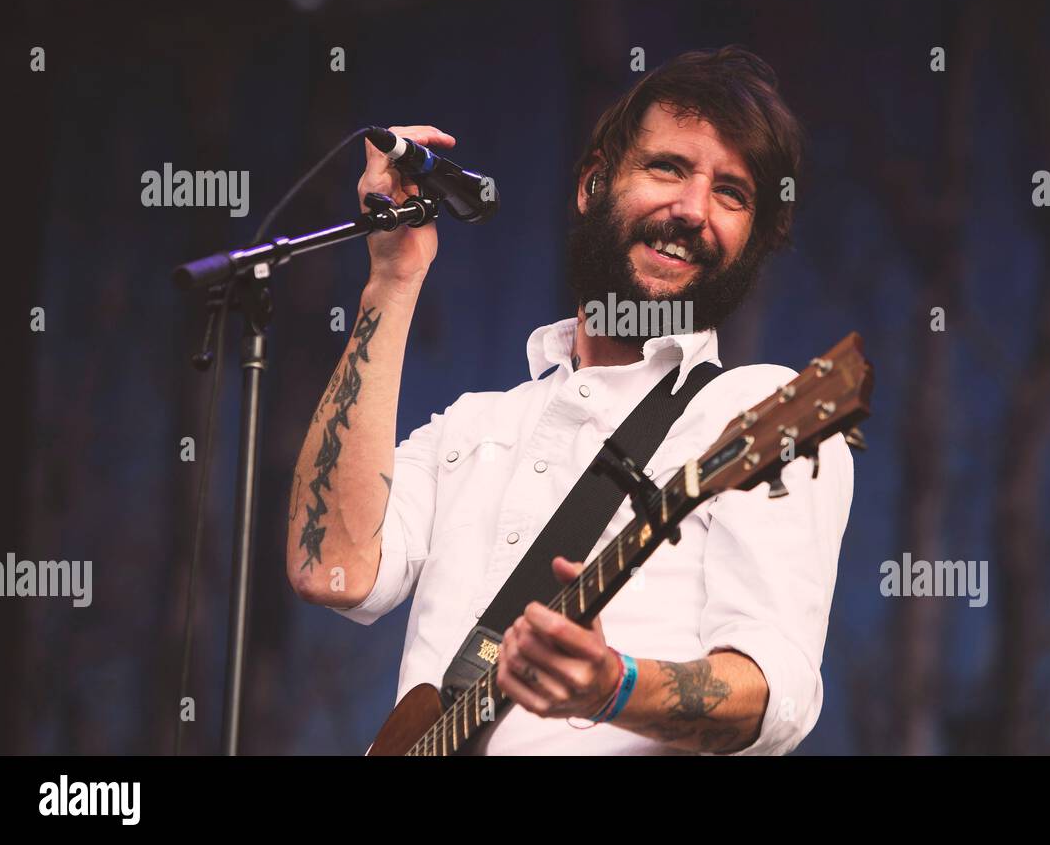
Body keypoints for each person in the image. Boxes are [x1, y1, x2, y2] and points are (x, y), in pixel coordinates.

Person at [286, 45, 854, 755]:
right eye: (668, 167)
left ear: (752, 240)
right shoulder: (475, 426)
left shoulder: (759, 408)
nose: (692, 209)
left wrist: (612, 687)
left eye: (732, 193)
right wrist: (392, 282)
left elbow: (774, 696)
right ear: (592, 185)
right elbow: (328, 567)